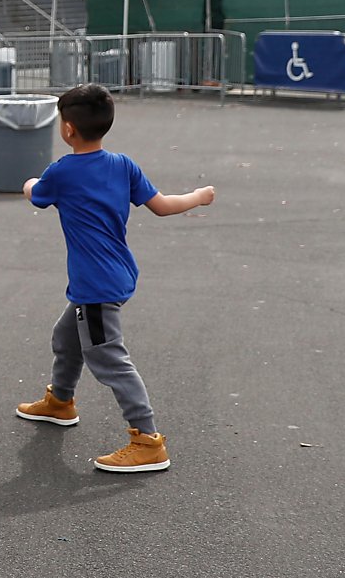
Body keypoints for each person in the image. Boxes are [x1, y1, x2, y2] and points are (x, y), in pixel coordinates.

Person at [18, 84, 216, 474]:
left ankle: (147, 440)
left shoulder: (62, 172)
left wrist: (27, 183)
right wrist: (197, 195)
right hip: (116, 273)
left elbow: (35, 194)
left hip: (95, 287)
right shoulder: (122, 164)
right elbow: (161, 206)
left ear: (69, 130)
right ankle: (60, 401)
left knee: (110, 360)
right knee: (66, 337)